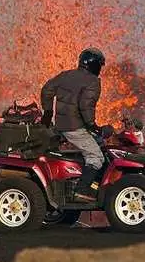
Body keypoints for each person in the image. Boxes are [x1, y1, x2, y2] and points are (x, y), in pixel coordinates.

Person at [40, 47, 106, 202]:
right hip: (75, 127)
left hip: (61, 125)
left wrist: (48, 113)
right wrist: (92, 125)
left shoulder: (65, 75)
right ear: (95, 65)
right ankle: (82, 191)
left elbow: (47, 90)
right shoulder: (93, 81)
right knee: (96, 157)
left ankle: (88, 181)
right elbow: (86, 105)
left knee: (96, 144)